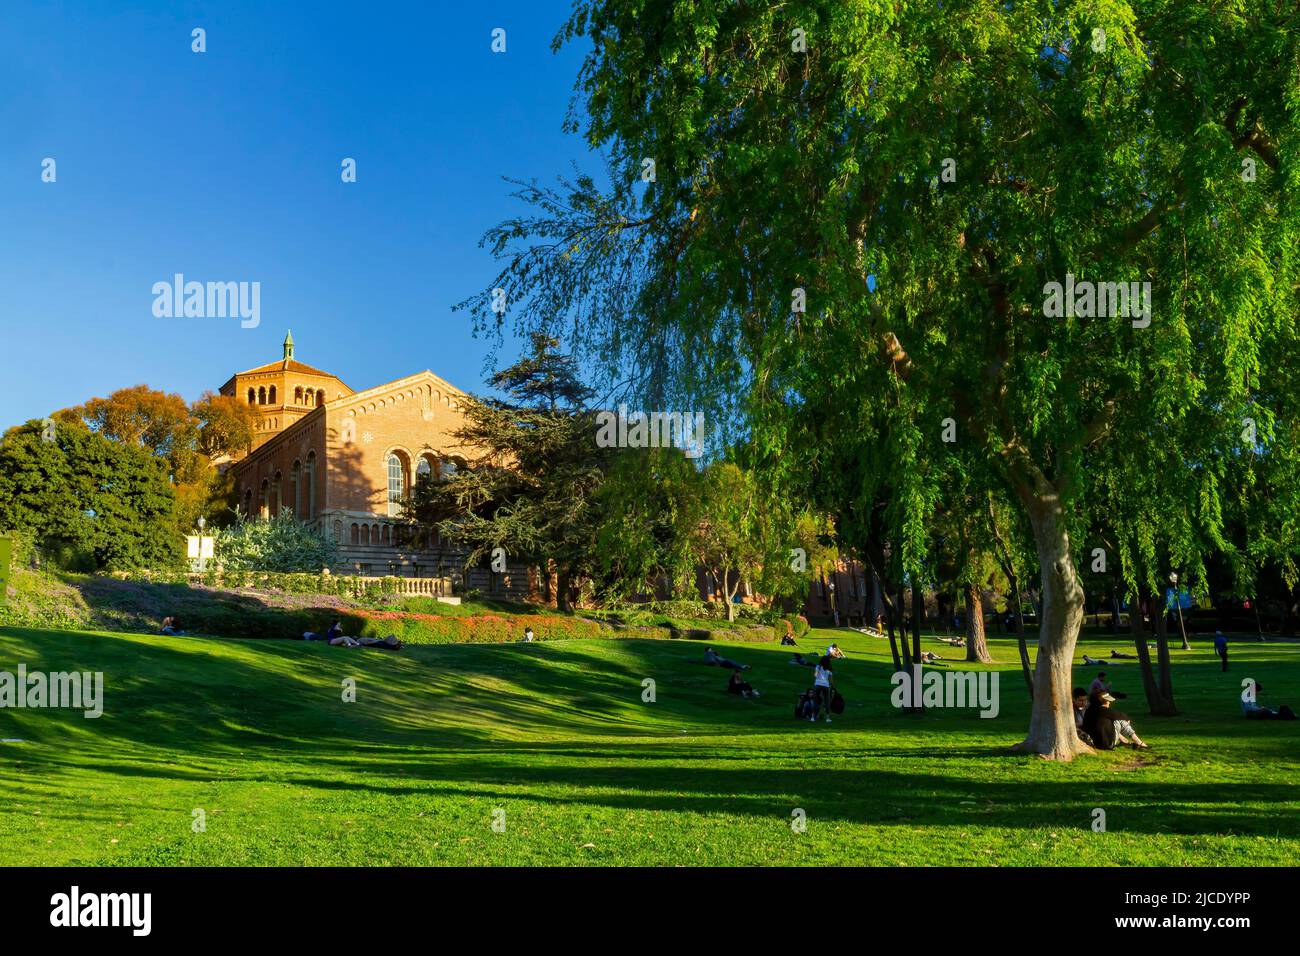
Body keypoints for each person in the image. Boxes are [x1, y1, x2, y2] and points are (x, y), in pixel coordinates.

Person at [1082, 690, 1149, 749]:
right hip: (1106, 744)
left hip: (1093, 742)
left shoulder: (1089, 710)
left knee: (1113, 721)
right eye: (1107, 701)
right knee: (1119, 721)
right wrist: (1127, 719)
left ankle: (1124, 741)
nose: (1109, 702)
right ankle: (1139, 742)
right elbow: (1122, 716)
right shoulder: (1104, 711)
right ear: (1102, 701)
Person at [812, 655, 835, 723]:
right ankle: (827, 718)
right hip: (826, 685)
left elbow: (815, 675)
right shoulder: (829, 668)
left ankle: (812, 717)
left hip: (817, 684)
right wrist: (832, 686)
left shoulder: (818, 666)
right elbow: (831, 680)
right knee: (827, 701)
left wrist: (818, 671)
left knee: (815, 701)